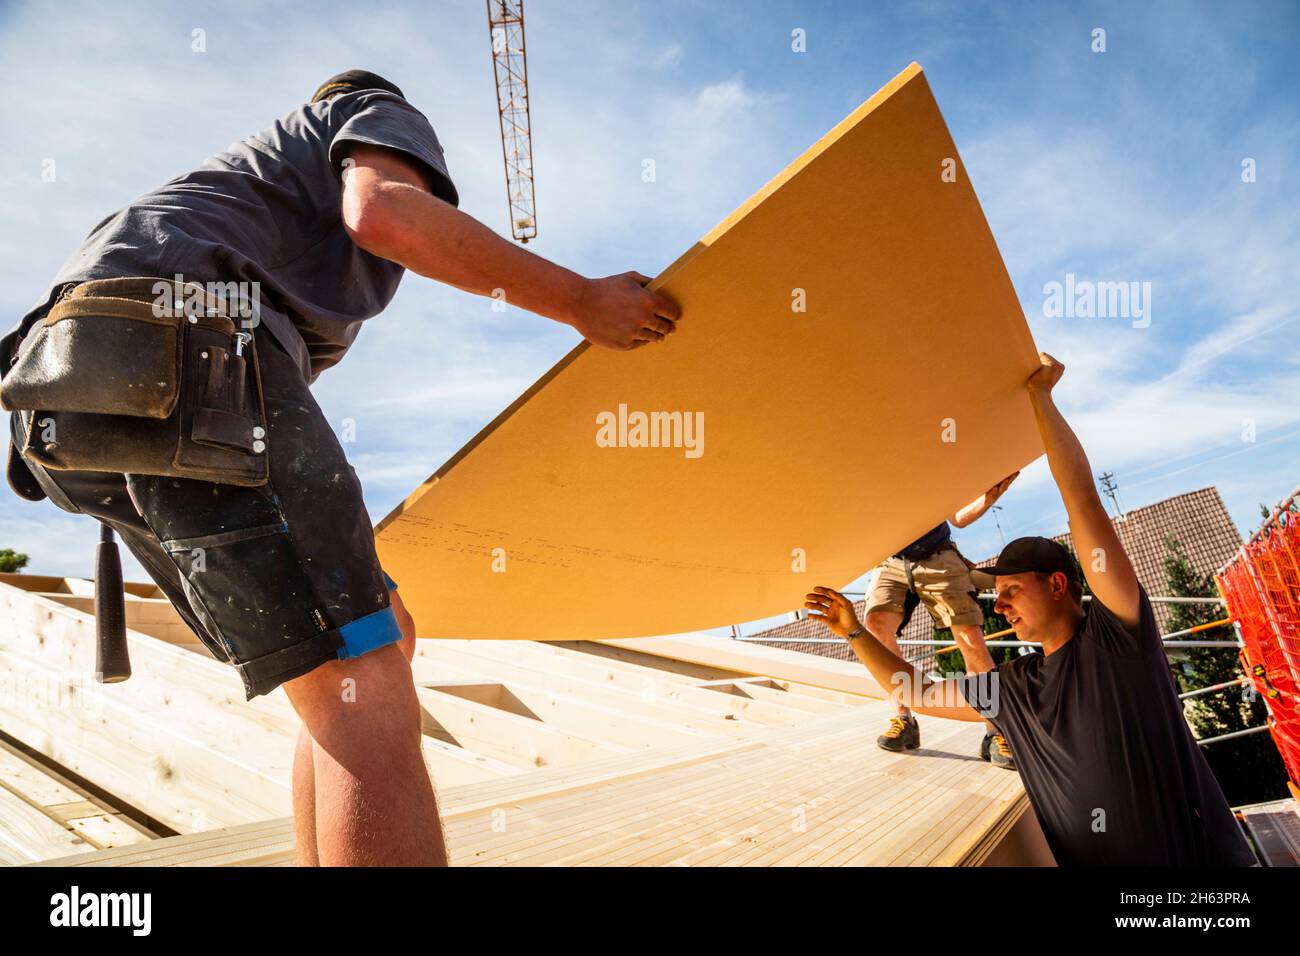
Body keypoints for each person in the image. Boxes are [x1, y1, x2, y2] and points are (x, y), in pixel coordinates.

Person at [1, 70, 680, 867]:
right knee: (361, 668)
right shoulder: (365, 111)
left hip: (66, 400)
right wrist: (578, 300)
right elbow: (385, 212)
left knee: (358, 653)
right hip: (185, 350)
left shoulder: (241, 198)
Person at [805, 353, 1256, 866]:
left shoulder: (1119, 640)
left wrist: (1041, 397)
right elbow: (919, 692)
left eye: (1012, 589)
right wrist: (854, 634)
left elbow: (1082, 499)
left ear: (1058, 584)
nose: (998, 605)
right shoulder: (1013, 687)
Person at [862, 474, 1018, 768]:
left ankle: (996, 731)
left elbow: (957, 518)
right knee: (876, 624)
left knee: (970, 640)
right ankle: (903, 719)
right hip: (891, 559)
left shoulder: (926, 460)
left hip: (938, 555)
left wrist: (990, 496)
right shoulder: (871, 466)